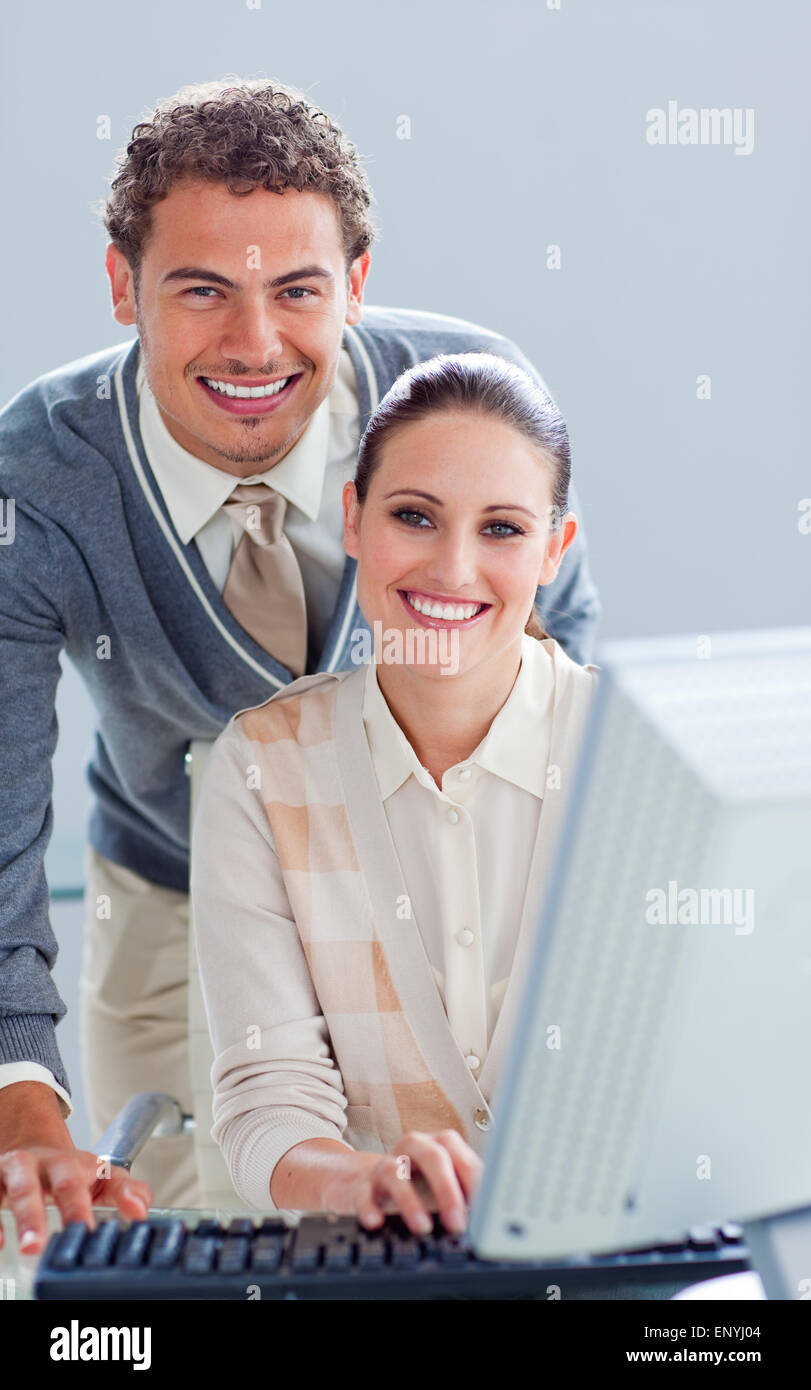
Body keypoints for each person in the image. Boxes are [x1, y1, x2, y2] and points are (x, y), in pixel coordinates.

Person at [0, 75, 600, 1254]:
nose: (256, 342)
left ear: (358, 285)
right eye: (203, 290)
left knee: (454, 1223)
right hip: (168, 883)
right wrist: (27, 1108)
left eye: (298, 291)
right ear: (122, 286)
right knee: (159, 1233)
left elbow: (562, 698)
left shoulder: (469, 415)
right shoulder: (37, 488)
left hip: (441, 867)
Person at [190, 351, 599, 1234]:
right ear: (352, 518)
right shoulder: (263, 768)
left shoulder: (636, 757)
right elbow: (270, 1102)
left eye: (501, 529)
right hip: (379, 1272)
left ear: (553, 552)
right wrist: (357, 1182)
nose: (452, 570)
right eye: (414, 516)